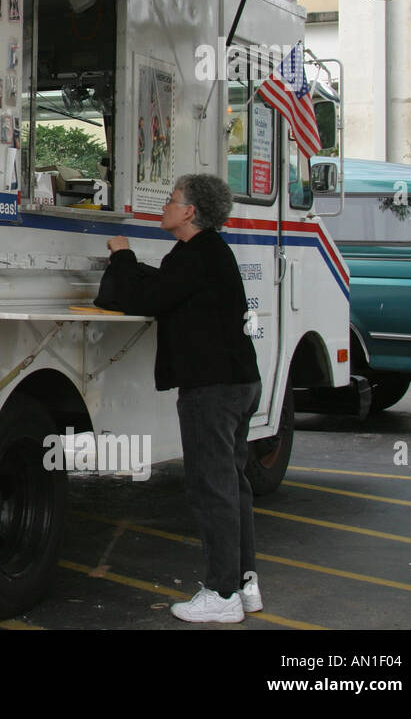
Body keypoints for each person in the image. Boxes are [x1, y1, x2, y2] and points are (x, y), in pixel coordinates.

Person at [101, 173, 263, 623]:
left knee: (212, 489)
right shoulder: (206, 253)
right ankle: (244, 585)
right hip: (238, 383)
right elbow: (163, 290)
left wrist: (122, 255)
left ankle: (222, 593)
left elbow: (147, 298)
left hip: (212, 390)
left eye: (172, 201)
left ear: (190, 212)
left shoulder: (196, 255)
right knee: (232, 487)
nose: (165, 207)